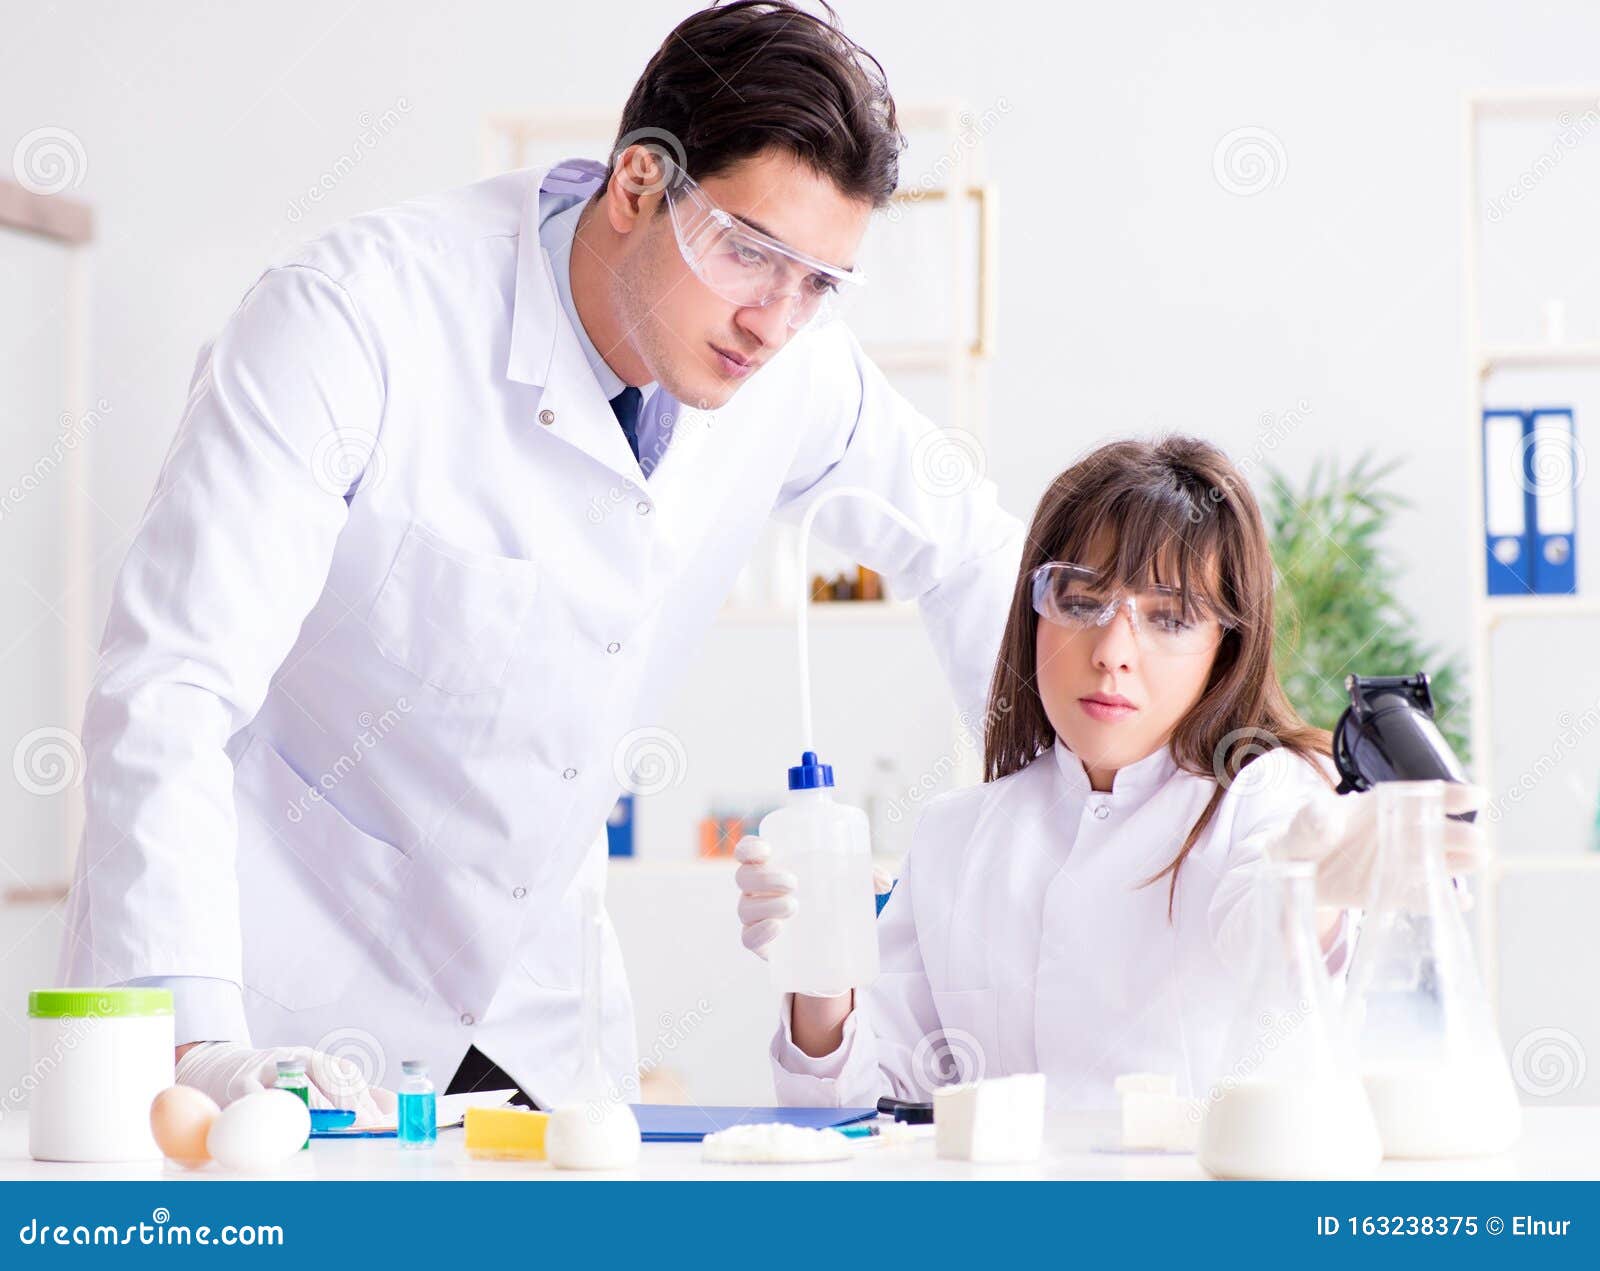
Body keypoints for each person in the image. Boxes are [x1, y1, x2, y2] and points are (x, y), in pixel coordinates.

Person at [59, 1, 1022, 1118]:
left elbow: (979, 559)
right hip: (277, 1005)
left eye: (819, 282)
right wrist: (197, 1037)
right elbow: (170, 687)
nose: (775, 319)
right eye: (750, 253)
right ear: (638, 184)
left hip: (535, 1025)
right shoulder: (354, 319)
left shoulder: (793, 362)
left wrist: (1057, 830)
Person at [735, 436, 1483, 1108]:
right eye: (1082, 600)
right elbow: (867, 1096)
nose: (1112, 652)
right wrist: (821, 968)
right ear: (1034, 611)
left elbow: (1263, 931)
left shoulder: (1268, 794)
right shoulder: (956, 835)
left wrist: (1311, 887)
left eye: (1170, 617)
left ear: (1226, 646)